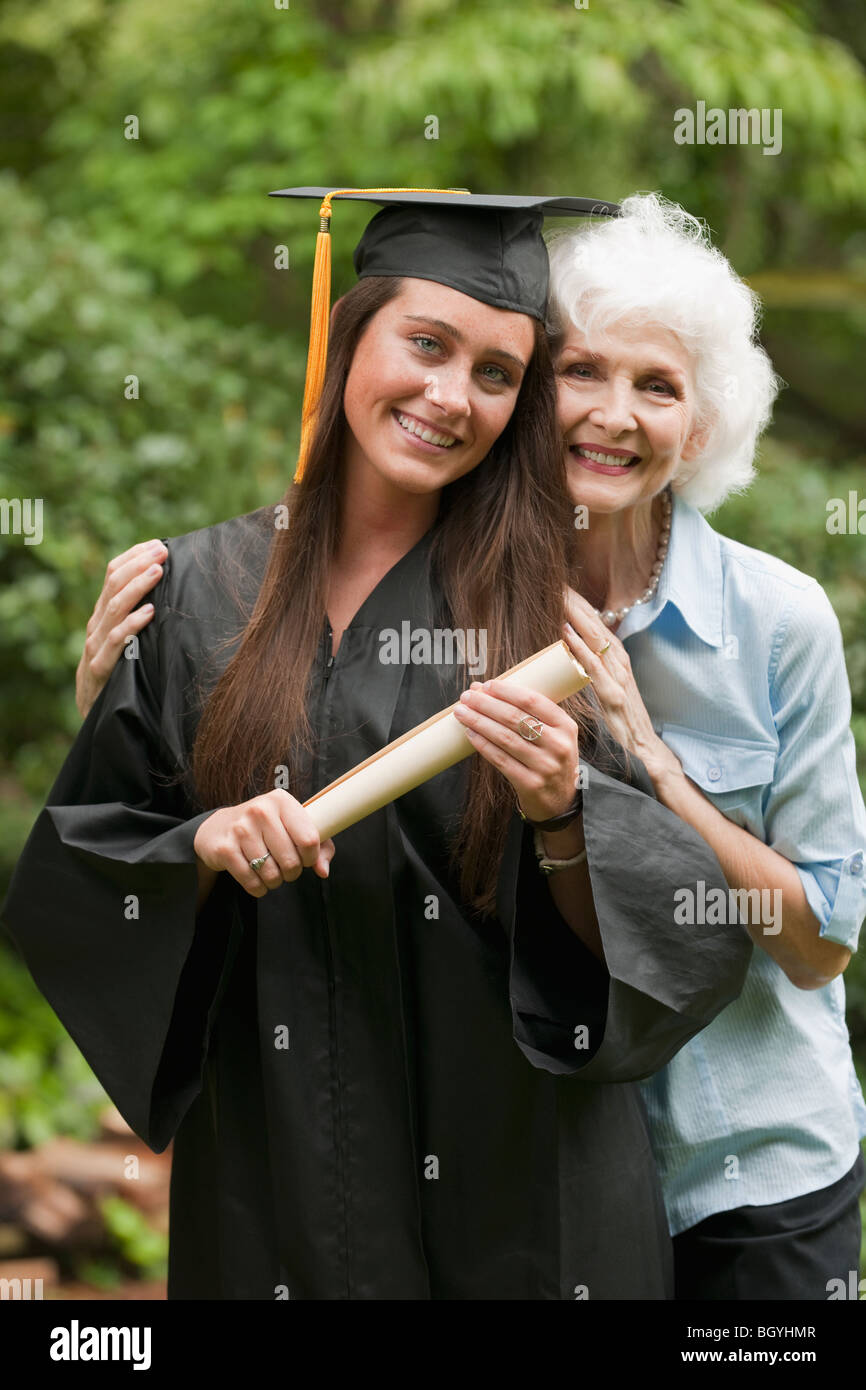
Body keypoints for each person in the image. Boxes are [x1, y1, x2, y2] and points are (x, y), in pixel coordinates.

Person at [4, 188, 751, 1301]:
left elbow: (679, 931)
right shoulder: (200, 593)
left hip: (516, 1194)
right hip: (277, 1171)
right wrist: (203, 846)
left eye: (496, 374)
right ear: (350, 332)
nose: (450, 397)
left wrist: (560, 813)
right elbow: (89, 866)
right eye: (425, 343)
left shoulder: (548, 620)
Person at [543, 193, 866, 1300]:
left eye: (656, 385)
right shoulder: (465, 607)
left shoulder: (778, 621)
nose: (612, 413)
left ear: (701, 424)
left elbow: (820, 942)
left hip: (757, 1183)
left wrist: (654, 765)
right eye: (578, 370)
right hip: (557, 1182)